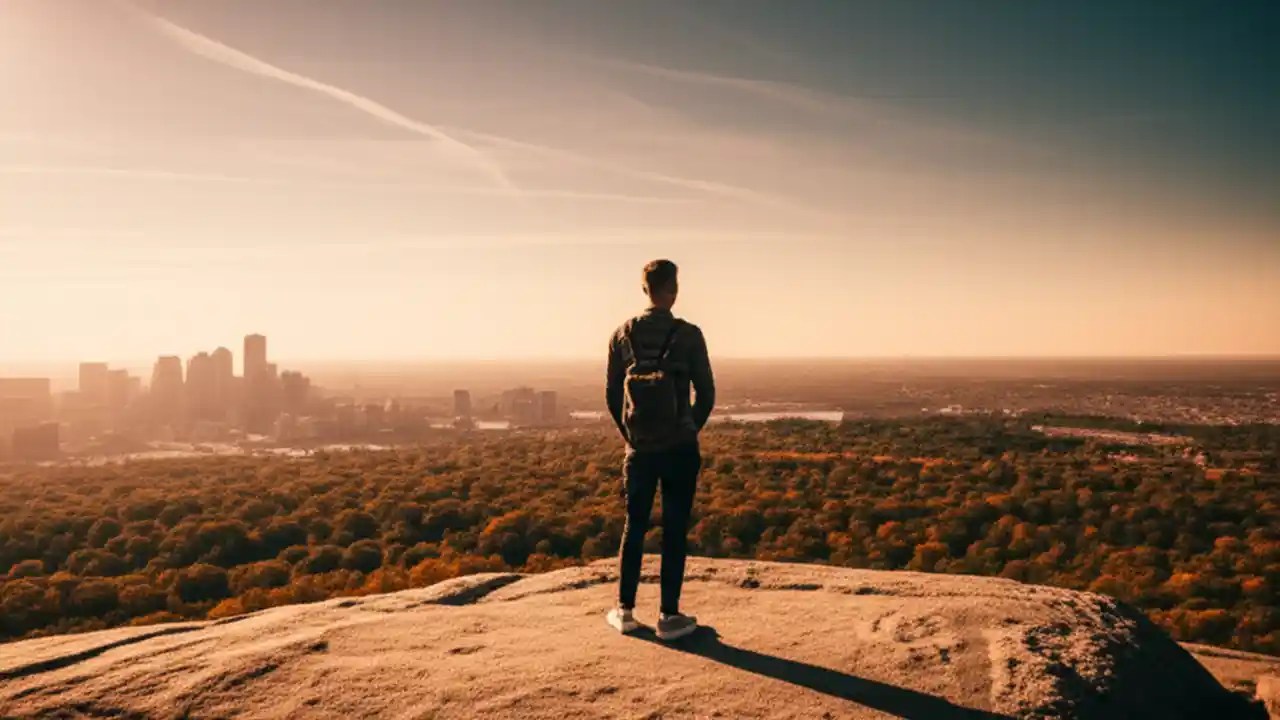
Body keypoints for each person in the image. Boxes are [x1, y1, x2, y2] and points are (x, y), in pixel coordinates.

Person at [604, 259, 715, 641]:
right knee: (674, 529)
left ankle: (625, 610)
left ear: (644, 289)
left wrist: (633, 436)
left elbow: (611, 394)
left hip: (639, 451)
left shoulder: (622, 335)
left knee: (634, 525)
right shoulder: (689, 335)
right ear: (674, 288)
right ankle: (670, 616)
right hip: (679, 450)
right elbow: (707, 394)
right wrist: (686, 429)